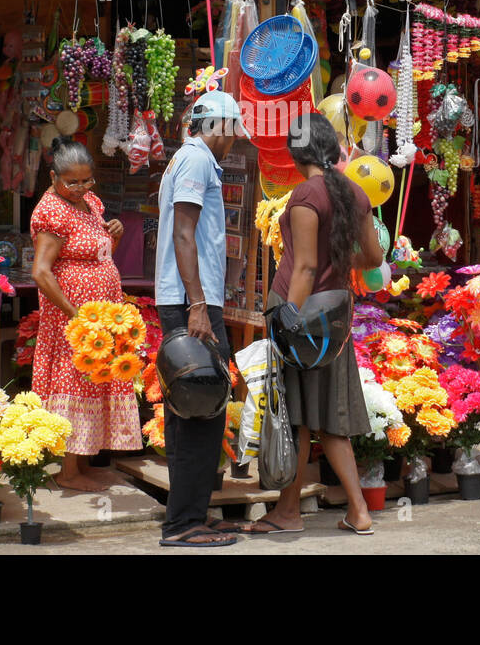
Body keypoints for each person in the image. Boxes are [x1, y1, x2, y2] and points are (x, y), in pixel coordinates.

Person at [249, 112, 384, 537]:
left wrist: (288, 313)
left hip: (300, 316)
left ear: (295, 153)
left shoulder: (306, 195)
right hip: (335, 318)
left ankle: (289, 513)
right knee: (322, 415)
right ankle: (357, 510)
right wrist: (337, 261)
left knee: (295, 413)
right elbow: (373, 258)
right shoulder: (353, 192)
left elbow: (304, 267)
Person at [154, 91, 247, 548]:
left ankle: (190, 514)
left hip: (193, 299)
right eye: (232, 134)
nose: (234, 145)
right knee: (201, 406)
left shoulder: (187, 159)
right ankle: (183, 524)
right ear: (220, 127)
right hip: (192, 303)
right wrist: (196, 305)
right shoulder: (194, 161)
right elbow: (184, 233)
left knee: (192, 407)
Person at [29, 137, 137, 492]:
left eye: (86, 180)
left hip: (99, 314)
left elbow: (96, 252)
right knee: (75, 382)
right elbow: (42, 272)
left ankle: (83, 464)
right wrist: (76, 315)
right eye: (71, 181)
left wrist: (115, 232)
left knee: (93, 381)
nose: (80, 188)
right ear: (53, 177)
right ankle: (68, 472)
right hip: (72, 318)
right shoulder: (51, 212)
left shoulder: (90, 202)